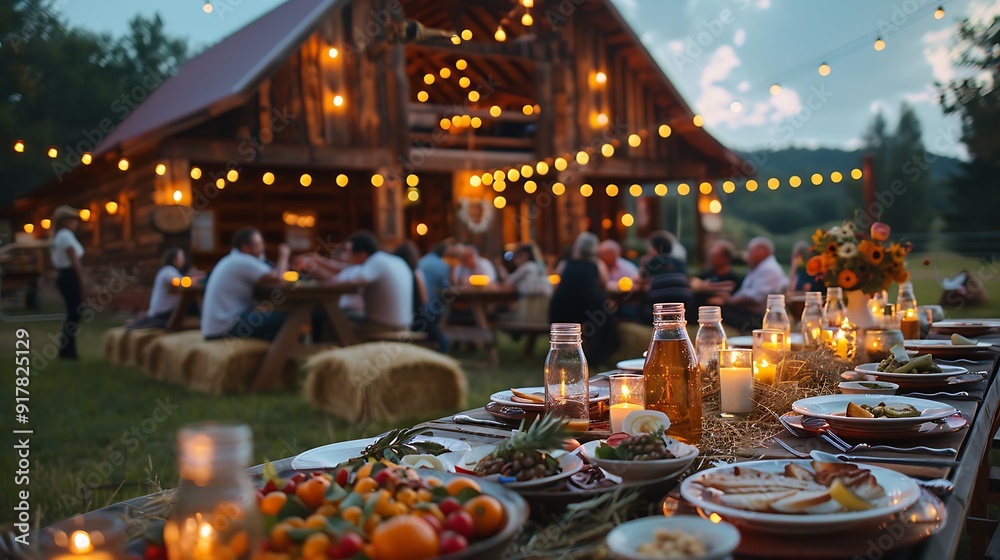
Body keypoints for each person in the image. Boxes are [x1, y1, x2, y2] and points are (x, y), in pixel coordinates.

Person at [301, 231, 413, 337]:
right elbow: (345, 272)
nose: (346, 256)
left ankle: (326, 355)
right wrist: (318, 261)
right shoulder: (395, 261)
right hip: (405, 327)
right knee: (344, 317)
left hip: (383, 328)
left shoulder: (376, 262)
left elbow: (337, 281)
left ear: (362, 254)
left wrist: (312, 267)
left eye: (348, 251)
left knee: (330, 322)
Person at [201, 228, 290, 341]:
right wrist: (284, 255)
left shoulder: (231, 259)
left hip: (214, 328)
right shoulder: (243, 261)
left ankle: (269, 355)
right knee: (288, 318)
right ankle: (280, 357)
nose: (262, 249)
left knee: (270, 318)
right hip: (226, 328)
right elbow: (279, 279)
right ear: (245, 247)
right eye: (258, 244)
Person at [549, 232, 619, 365]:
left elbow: (555, 287)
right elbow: (605, 285)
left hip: (562, 310)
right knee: (604, 309)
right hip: (589, 311)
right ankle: (597, 353)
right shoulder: (597, 265)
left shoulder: (565, 264)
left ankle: (563, 356)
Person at [713, 236, 788, 332]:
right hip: (752, 312)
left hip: (755, 318)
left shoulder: (768, 269)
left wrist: (729, 300)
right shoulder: (761, 267)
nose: (747, 255)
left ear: (760, 252)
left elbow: (754, 297)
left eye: (750, 251)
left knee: (717, 311)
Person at [395, 241, 448, 351]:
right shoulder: (416, 272)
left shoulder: (397, 273)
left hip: (400, 316)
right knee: (443, 341)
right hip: (416, 318)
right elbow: (424, 299)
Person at [50, 205, 85, 359]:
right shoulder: (65, 235)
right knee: (75, 312)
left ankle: (68, 350)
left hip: (65, 275)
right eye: (73, 219)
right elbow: (74, 258)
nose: (75, 223)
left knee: (73, 312)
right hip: (69, 274)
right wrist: (81, 278)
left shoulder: (59, 236)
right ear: (65, 221)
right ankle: (67, 351)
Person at [640, 231, 694, 321]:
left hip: (657, 312)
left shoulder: (651, 263)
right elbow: (687, 281)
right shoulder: (679, 262)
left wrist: (643, 264)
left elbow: (642, 283)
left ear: (655, 249)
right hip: (683, 311)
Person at [130, 248, 188, 330]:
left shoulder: (171, 272)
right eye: (181, 257)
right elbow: (177, 282)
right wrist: (193, 281)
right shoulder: (168, 271)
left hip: (164, 313)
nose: (184, 260)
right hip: (161, 315)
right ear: (174, 259)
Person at [503, 242, 552, 322]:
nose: (515, 259)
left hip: (529, 303)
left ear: (525, 255)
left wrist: (502, 271)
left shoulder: (527, 267)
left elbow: (509, 281)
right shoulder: (540, 266)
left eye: (517, 256)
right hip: (543, 305)